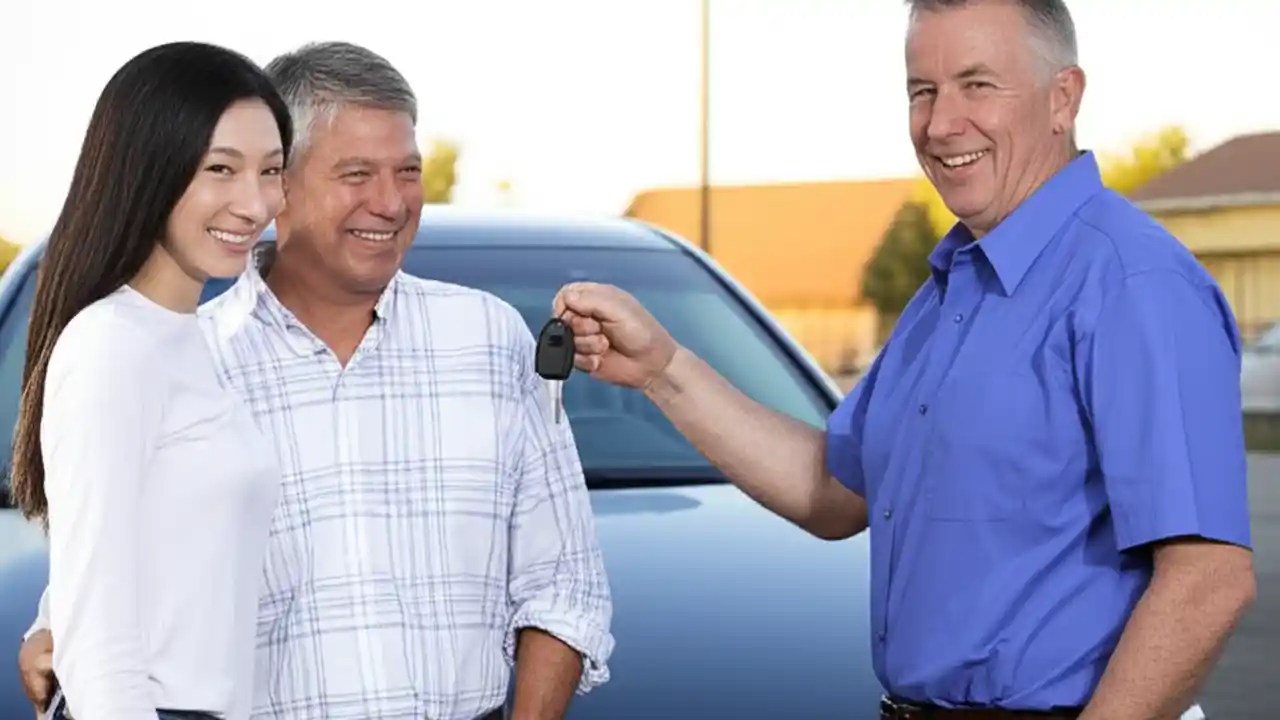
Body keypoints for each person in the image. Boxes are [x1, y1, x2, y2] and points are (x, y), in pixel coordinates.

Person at [550, 1, 1255, 718]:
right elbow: (831, 490)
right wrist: (662, 370)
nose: (941, 123)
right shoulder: (949, 291)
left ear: (1063, 98)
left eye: (978, 85)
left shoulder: (1134, 285)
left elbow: (1206, 577)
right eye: (923, 91)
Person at [18, 41, 613, 720]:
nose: (390, 203)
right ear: (288, 188)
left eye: (408, 170)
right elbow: (106, 603)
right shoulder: (178, 357)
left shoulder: (491, 339)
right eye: (356, 173)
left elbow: (563, 582)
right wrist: (57, 630)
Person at [8, 42, 292, 720]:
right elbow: (97, 635)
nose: (254, 204)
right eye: (220, 169)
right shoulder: (113, 344)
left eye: (272, 171)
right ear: (146, 170)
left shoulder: (183, 338)